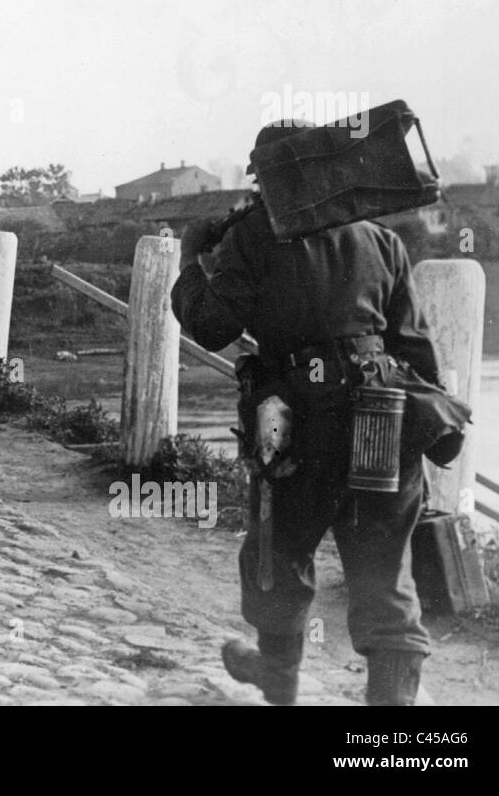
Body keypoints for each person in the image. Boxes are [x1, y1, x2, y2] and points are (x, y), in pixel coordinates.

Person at [170, 120, 444, 707]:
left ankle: (279, 680)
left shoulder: (254, 239)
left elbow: (212, 326)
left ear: (270, 179)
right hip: (383, 416)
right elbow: (416, 351)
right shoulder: (381, 240)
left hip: (291, 420)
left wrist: (194, 261)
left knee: (278, 547)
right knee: (383, 567)